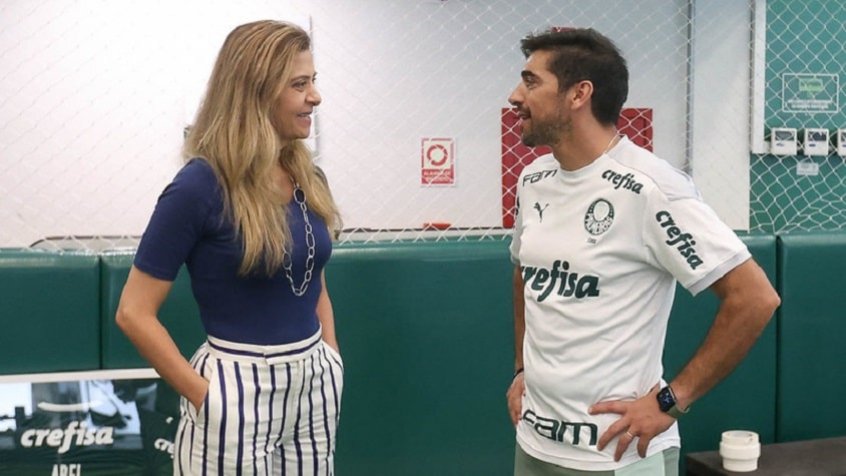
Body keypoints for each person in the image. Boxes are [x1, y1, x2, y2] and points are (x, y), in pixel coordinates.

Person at [505, 27, 780, 475]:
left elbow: (755, 298)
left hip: (617, 456)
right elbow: (524, 272)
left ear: (579, 94)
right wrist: (521, 369)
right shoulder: (532, 179)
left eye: (531, 82)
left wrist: (672, 400)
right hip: (534, 445)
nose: (515, 96)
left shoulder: (652, 188)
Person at [116, 20, 344, 475]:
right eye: (299, 85)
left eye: (313, 81)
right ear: (256, 93)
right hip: (236, 385)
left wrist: (330, 358)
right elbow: (133, 312)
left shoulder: (307, 175)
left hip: (314, 383)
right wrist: (206, 397)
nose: (315, 97)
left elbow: (312, 277)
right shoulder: (199, 185)